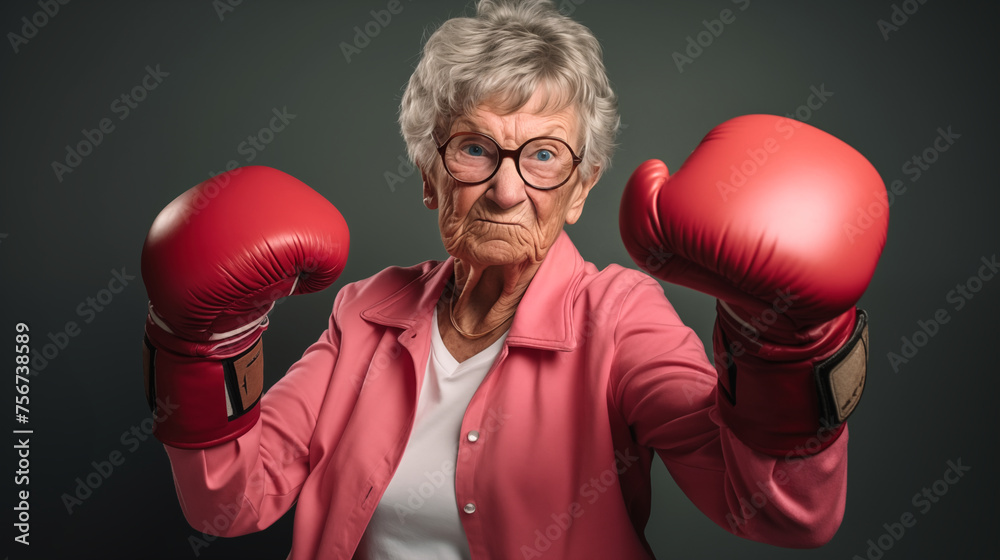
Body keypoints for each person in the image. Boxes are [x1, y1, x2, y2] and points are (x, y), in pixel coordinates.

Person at [140, 1, 887, 558]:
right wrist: (202, 345)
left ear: (582, 188)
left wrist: (786, 348)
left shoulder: (620, 319)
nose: (505, 190)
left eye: (543, 156)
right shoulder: (366, 311)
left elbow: (777, 514)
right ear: (430, 176)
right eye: (474, 150)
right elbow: (228, 504)